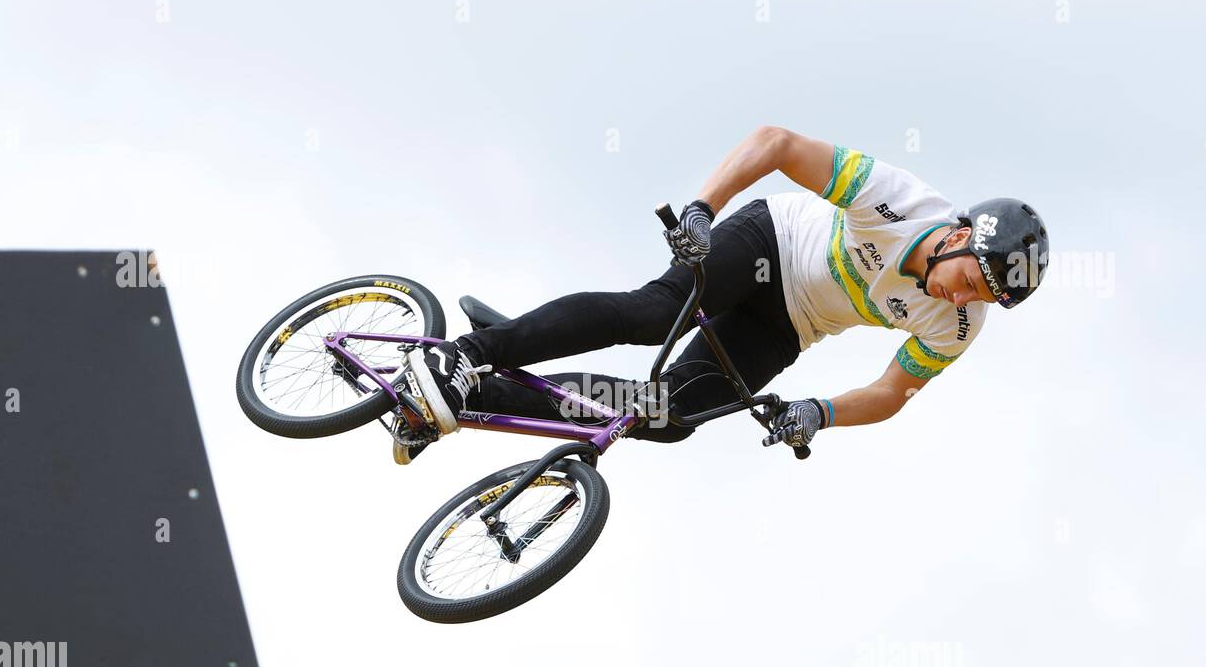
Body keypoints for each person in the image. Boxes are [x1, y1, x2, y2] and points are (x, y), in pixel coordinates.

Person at [399, 125, 1049, 463]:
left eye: (983, 301)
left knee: (670, 414)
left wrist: (819, 413)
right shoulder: (899, 200)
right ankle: (462, 354)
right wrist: (702, 209)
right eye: (969, 281)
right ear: (961, 234)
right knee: (655, 316)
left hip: (788, 326)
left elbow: (889, 395)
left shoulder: (957, 327)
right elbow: (777, 143)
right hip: (770, 245)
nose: (963, 301)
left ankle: (469, 399)